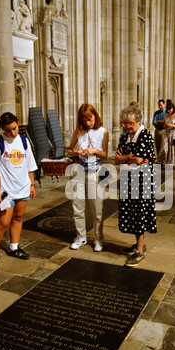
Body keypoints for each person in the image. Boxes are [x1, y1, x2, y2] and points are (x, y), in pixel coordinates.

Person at [0, 112, 37, 269]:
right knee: (3, 222)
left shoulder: (23, 140)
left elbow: (29, 165)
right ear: (2, 129)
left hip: (22, 186)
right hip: (6, 190)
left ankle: (14, 248)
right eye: (8, 130)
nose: (12, 133)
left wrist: (32, 184)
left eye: (14, 128)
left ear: (18, 124)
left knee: (18, 217)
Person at [115, 104, 157, 267]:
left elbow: (141, 160)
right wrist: (131, 157)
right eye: (125, 123)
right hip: (128, 177)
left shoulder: (145, 135)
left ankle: (140, 252)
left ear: (138, 121)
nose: (127, 126)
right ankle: (139, 244)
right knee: (130, 212)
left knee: (139, 213)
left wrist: (127, 157)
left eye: (130, 123)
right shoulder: (124, 136)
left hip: (142, 180)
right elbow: (117, 159)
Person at [67, 103, 109, 252]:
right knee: (77, 206)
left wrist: (95, 150)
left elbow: (105, 154)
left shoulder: (103, 131)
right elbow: (69, 150)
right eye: (84, 120)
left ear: (95, 116)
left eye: (90, 119)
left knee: (97, 208)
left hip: (95, 172)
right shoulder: (78, 131)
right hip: (78, 170)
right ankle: (81, 237)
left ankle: (98, 239)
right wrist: (75, 152)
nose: (87, 123)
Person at [157, 101, 175, 166]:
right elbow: (164, 125)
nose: (169, 111)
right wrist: (165, 126)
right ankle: (164, 161)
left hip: (174, 134)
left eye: (170, 109)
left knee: (172, 149)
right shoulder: (166, 116)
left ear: (173, 108)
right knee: (165, 148)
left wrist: (172, 125)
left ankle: (169, 163)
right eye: (167, 109)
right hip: (167, 134)